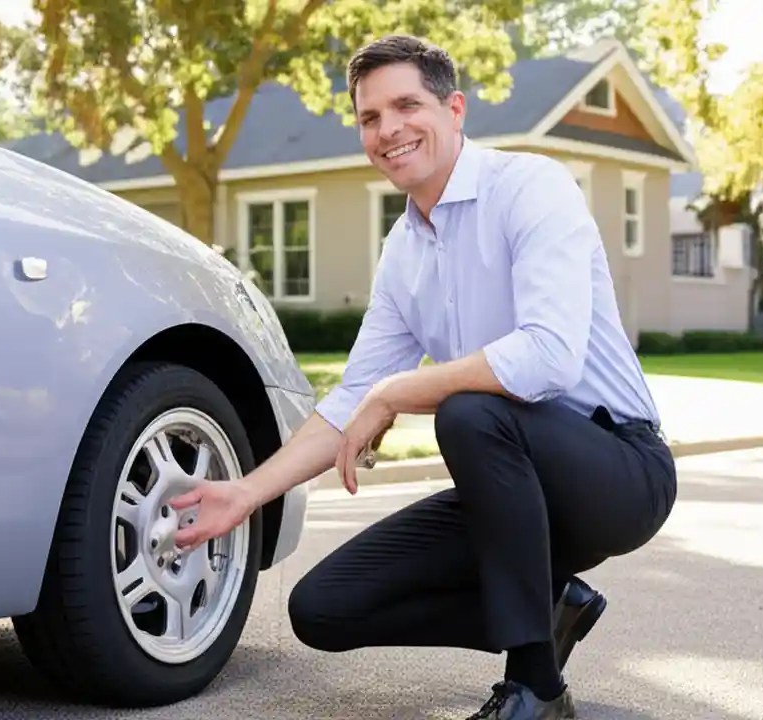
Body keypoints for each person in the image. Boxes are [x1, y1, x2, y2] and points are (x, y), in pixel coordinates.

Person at [171, 34, 677, 720]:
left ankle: (538, 691)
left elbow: (549, 355)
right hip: (515, 495)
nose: (389, 130)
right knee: (322, 608)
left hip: (619, 470)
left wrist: (400, 391)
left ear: (455, 108)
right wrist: (248, 492)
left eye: (406, 105)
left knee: (467, 412)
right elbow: (355, 394)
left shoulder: (530, 187)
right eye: (370, 118)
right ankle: (547, 604)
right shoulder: (403, 251)